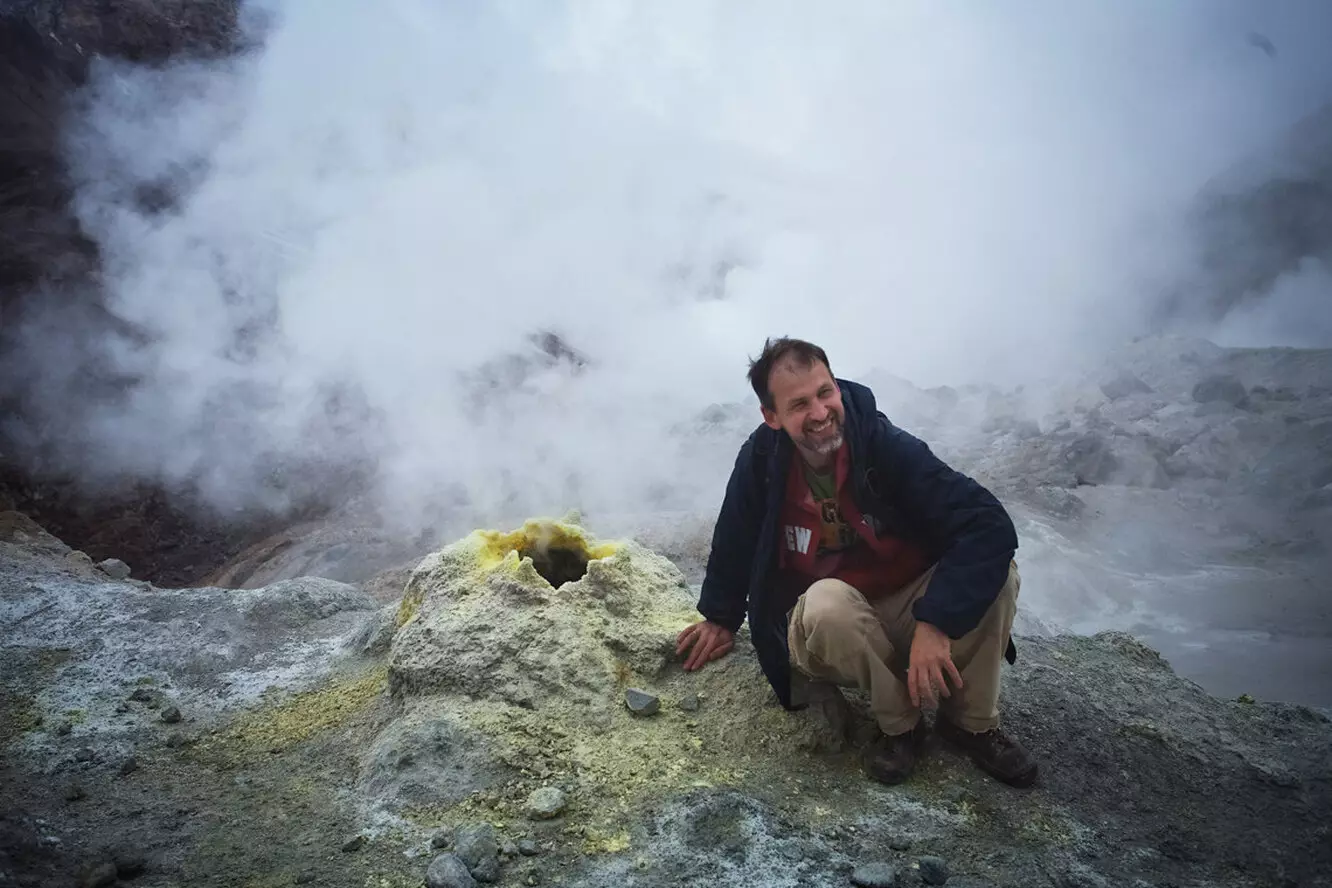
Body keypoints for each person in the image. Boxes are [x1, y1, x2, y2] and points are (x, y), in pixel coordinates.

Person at [676, 337, 1038, 787]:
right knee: (829, 604)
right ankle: (900, 727)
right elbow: (736, 535)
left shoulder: (882, 445)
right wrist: (720, 617)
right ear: (772, 417)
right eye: (799, 404)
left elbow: (988, 524)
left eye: (825, 392)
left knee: (999, 577)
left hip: (907, 607)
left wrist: (936, 622)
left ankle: (971, 722)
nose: (820, 413)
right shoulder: (762, 462)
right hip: (833, 627)